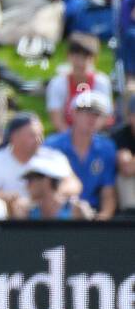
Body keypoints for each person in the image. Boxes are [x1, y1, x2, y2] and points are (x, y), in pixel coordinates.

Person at [0, 112, 78, 215]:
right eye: (32, 135)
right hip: (12, 219)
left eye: (40, 134)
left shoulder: (53, 157)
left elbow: (74, 184)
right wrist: (7, 197)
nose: (39, 139)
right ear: (14, 136)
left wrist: (54, 195)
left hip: (50, 215)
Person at [44, 90, 119, 219]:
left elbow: (108, 191)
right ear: (73, 113)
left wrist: (103, 218)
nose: (91, 118)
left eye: (97, 114)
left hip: (91, 212)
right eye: (86, 111)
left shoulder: (107, 148)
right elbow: (45, 189)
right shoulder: (52, 145)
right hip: (58, 213)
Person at [45, 34, 113, 131]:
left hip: (96, 134)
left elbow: (105, 117)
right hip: (67, 136)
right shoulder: (58, 83)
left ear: (95, 59)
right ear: (68, 56)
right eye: (77, 56)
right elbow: (57, 120)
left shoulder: (102, 82)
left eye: (85, 57)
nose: (81, 63)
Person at [21, 149, 95, 220]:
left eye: (30, 180)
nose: (27, 186)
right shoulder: (27, 213)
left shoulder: (77, 212)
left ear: (46, 180)